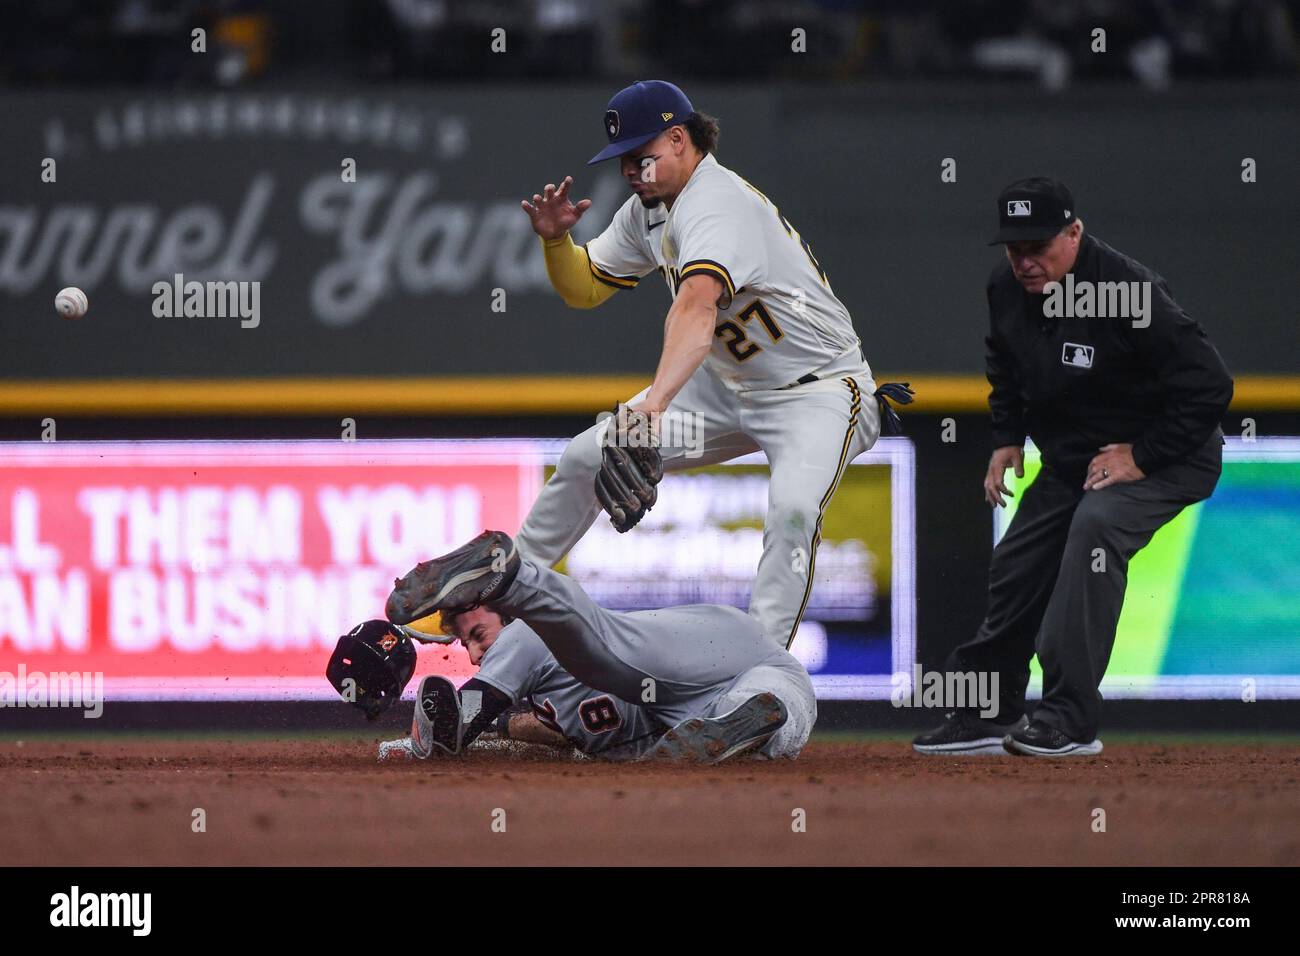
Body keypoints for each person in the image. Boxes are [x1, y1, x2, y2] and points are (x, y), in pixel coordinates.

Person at [517, 79, 910, 649]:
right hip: (727, 387)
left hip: (817, 391)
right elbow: (585, 289)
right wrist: (557, 244)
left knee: (795, 512)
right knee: (585, 457)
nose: (631, 170)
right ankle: (503, 592)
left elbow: (697, 309)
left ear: (679, 140)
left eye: (641, 156)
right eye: (623, 160)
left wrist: (652, 406)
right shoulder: (647, 212)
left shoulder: (717, 203)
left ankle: (762, 676)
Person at [914, 177, 1233, 757]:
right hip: (1076, 460)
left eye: (1038, 246)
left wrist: (1142, 455)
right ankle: (987, 713)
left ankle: (1069, 717)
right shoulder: (1006, 287)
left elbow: (1211, 385)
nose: (1025, 261)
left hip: (1170, 455)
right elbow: (1004, 363)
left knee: (1094, 531)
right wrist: (1007, 436)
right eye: (1014, 248)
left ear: (1075, 233)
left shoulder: (1128, 292)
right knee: (1017, 564)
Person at [381, 530, 818, 764]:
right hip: (723, 680)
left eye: (475, 634)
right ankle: (738, 720)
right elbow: (549, 731)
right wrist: (504, 730)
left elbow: (454, 727)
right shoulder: (550, 684)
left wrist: (409, 744)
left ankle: (515, 580)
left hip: (684, 657)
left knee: (610, 653)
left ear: (500, 610)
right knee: (776, 719)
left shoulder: (522, 634)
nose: (474, 654)